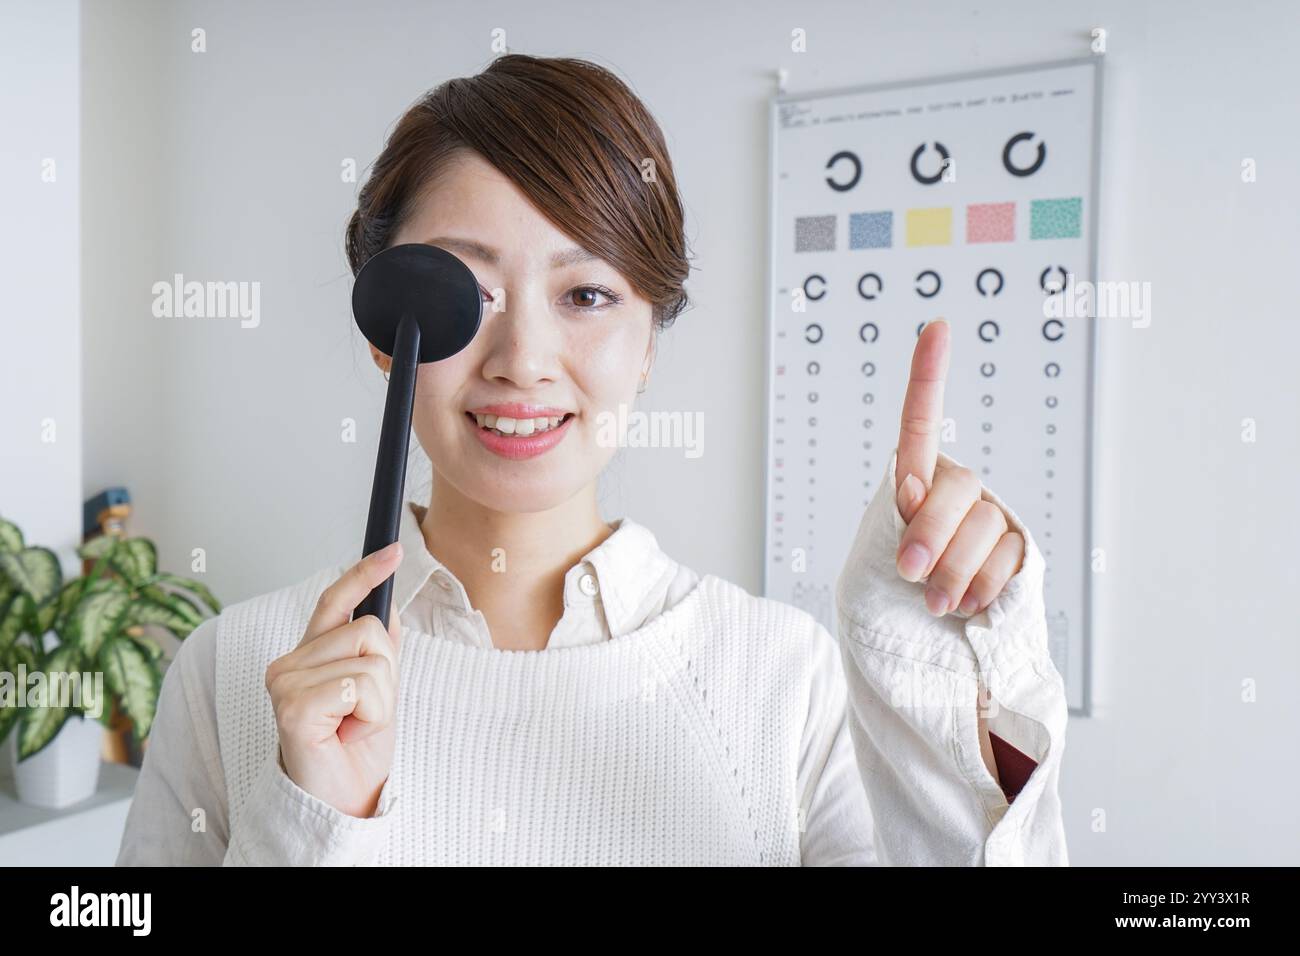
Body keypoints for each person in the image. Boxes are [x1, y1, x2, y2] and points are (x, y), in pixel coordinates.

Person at [116, 53, 1067, 866]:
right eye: (466, 290)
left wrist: (932, 702)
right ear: (383, 328)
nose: (523, 359)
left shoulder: (786, 680)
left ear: (649, 344)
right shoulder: (231, 671)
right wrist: (309, 818)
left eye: (586, 296)